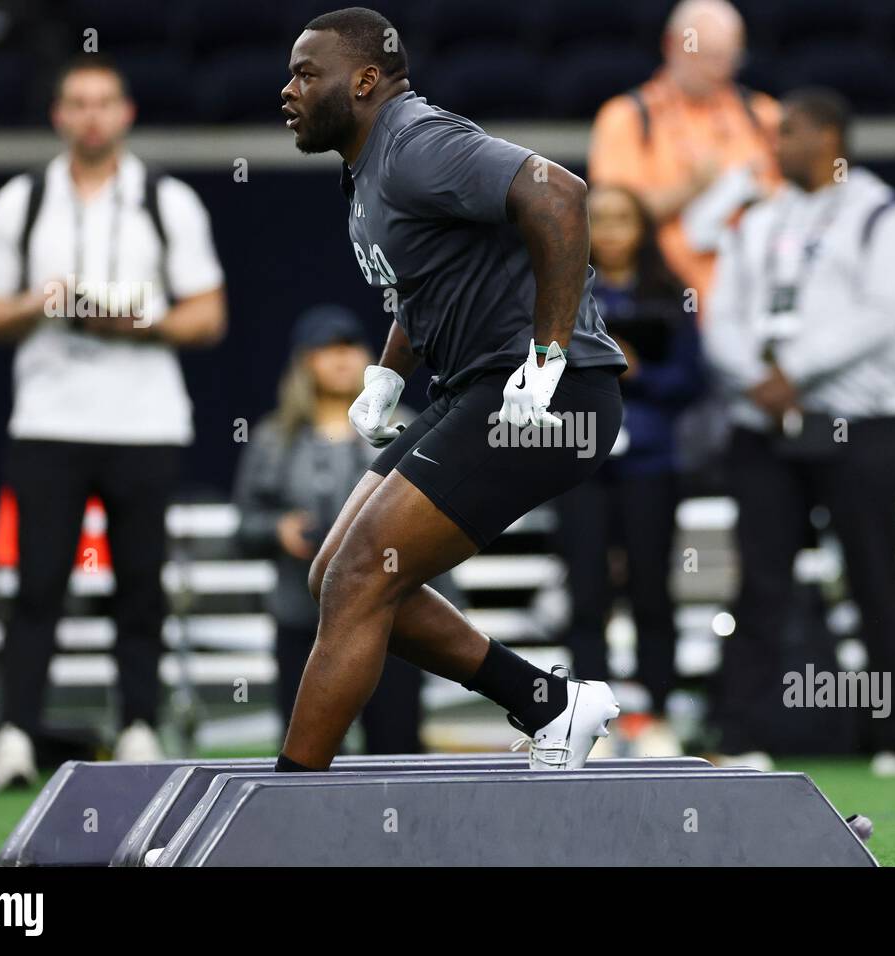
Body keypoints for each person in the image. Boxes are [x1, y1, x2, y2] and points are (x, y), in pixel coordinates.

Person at [277, 8, 627, 772]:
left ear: (365, 80)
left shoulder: (416, 142)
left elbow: (561, 195)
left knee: (361, 574)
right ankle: (550, 704)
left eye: (307, 73)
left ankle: (290, 795)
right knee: (333, 574)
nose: (288, 90)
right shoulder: (367, 163)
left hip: (546, 398)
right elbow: (432, 280)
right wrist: (390, 372)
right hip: (474, 387)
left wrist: (549, 354)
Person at [0, 54, 227, 789]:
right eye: (77, 103)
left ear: (125, 113)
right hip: (48, 420)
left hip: (144, 421)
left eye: (103, 102)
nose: (90, 115)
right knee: (38, 584)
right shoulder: (22, 202)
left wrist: (139, 323)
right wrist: (44, 302)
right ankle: (16, 733)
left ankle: (139, 725)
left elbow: (209, 315)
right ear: (58, 115)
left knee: (139, 584)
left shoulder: (165, 199)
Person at [704, 88, 895, 776]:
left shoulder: (885, 214)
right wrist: (758, 378)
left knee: (874, 577)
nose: (775, 145)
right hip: (765, 421)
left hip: (861, 423)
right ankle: (744, 736)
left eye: (790, 132)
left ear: (831, 137)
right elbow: (720, 314)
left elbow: (884, 313)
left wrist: (797, 373)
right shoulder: (755, 219)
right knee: (760, 580)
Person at [234, 305, 461, 753]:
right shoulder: (273, 438)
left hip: (393, 614)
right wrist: (278, 530)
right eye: (326, 350)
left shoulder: (407, 426)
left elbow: (441, 519)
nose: (341, 360)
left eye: (350, 348)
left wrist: (448, 610)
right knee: (308, 748)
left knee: (396, 746)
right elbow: (243, 526)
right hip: (304, 615)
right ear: (304, 363)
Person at [554, 184, 703, 756]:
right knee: (586, 587)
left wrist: (636, 372)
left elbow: (692, 381)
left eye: (625, 218)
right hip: (580, 459)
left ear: (643, 229)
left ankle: (657, 710)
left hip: (650, 461)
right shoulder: (560, 290)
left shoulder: (671, 296)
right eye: (602, 219)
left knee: (651, 585)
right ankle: (586, 711)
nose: (613, 231)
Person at [588, 0, 780, 307]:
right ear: (672, 45)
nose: (718, 70)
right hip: (661, 299)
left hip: (752, 296)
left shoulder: (763, 114)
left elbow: (799, 204)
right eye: (707, 57)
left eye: (729, 58)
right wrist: (691, 189)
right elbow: (610, 218)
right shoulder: (626, 117)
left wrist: (764, 195)